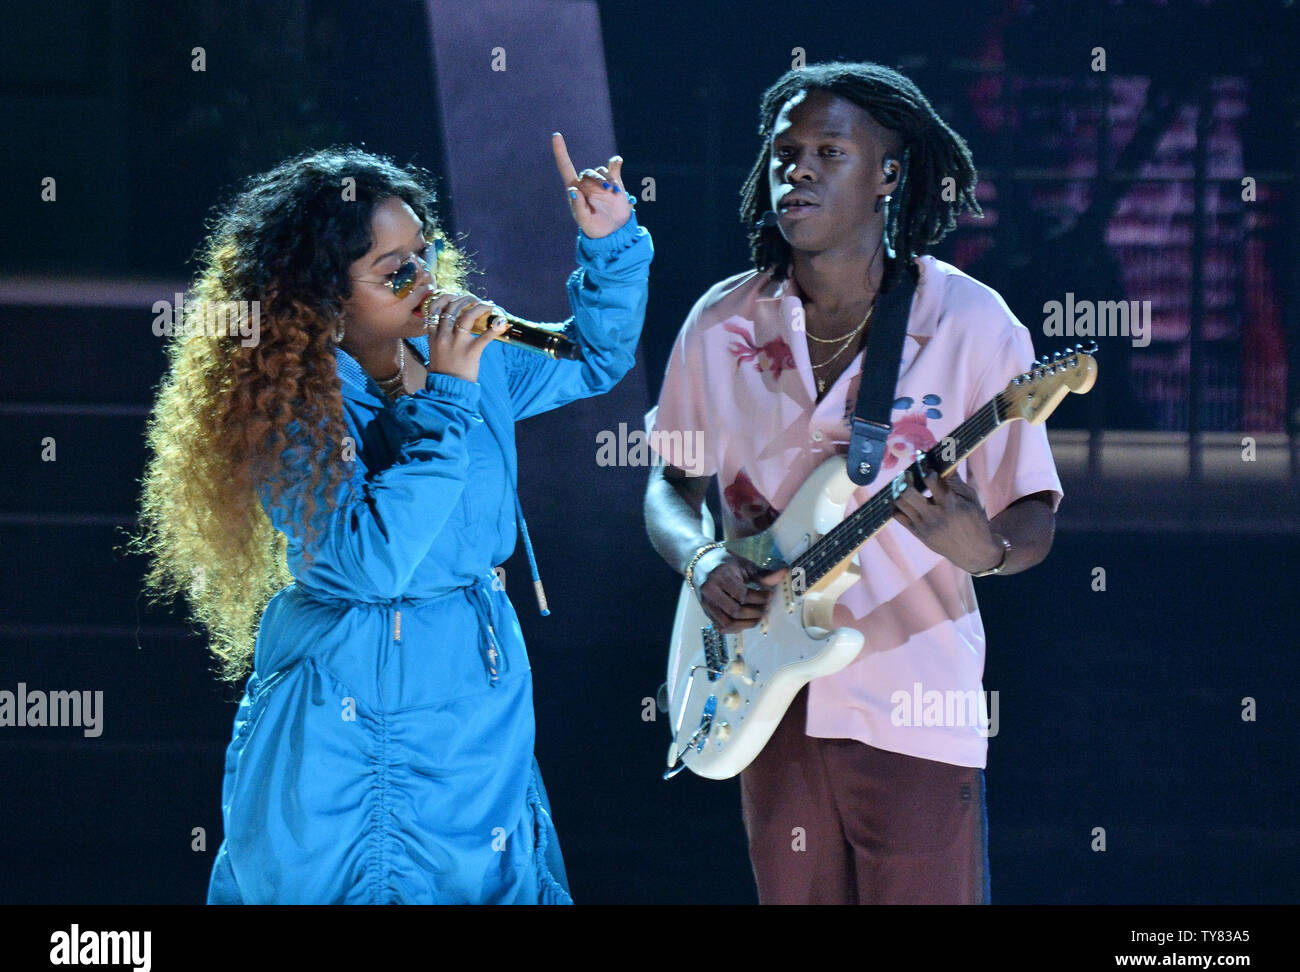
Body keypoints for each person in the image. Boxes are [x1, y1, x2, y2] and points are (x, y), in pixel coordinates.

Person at [134, 136, 652, 903]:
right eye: (395, 270)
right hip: (343, 694)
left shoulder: (471, 353)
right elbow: (370, 563)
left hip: (473, 686)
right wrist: (447, 394)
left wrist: (609, 245)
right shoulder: (292, 405)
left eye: (427, 252)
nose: (426, 279)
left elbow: (592, 359)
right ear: (321, 296)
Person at [644, 62, 1062, 904]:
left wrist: (984, 550)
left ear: (889, 175)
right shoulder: (719, 322)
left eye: (828, 151)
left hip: (914, 697)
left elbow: (1032, 513)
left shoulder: (971, 323)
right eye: (784, 152)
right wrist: (699, 562)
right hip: (760, 695)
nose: (795, 169)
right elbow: (667, 485)